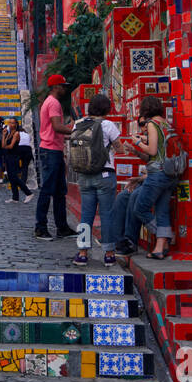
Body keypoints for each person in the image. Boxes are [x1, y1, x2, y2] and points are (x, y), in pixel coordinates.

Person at [119, 96, 175, 259]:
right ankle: (159, 249)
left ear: (145, 109)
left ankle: (164, 237)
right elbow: (159, 146)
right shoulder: (165, 123)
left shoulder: (151, 124)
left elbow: (151, 151)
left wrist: (137, 142)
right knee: (162, 211)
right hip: (170, 173)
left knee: (140, 207)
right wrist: (142, 141)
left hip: (157, 174)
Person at [72, 93, 121, 267]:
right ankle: (108, 254)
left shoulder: (78, 123)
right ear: (106, 108)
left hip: (84, 176)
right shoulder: (108, 125)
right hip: (104, 175)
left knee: (86, 215)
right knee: (107, 214)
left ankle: (82, 253)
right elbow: (119, 148)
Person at [34, 74, 79, 240]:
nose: (65, 88)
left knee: (60, 191)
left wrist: (71, 135)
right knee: (48, 190)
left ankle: (62, 227)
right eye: (63, 86)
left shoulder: (50, 102)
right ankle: (40, 227)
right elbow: (57, 126)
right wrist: (76, 131)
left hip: (54, 149)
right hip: (51, 151)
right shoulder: (53, 103)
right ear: (55, 87)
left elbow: (54, 131)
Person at [2, 117, 34, 203]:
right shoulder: (8, 134)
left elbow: (10, 146)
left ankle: (28, 193)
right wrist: (4, 135)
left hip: (14, 157)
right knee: (11, 178)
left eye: (13, 123)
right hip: (8, 157)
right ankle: (15, 197)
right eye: (10, 123)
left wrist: (5, 146)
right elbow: (3, 145)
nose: (11, 124)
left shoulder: (16, 134)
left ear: (16, 124)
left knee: (14, 177)